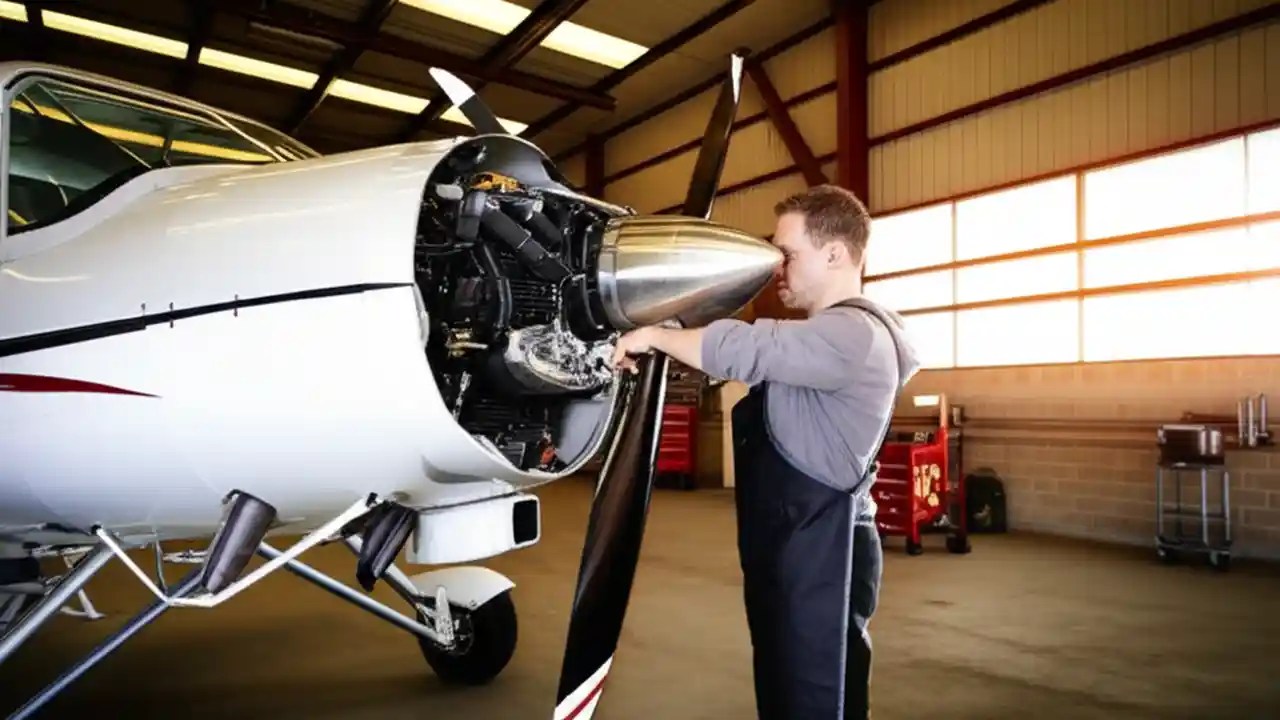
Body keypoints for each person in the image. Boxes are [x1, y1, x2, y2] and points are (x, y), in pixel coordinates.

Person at [610, 184, 921, 719]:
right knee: (793, 690)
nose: (779, 267)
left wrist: (654, 335)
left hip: (823, 553)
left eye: (789, 253)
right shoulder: (828, 338)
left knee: (813, 698)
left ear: (835, 254)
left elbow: (746, 349)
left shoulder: (853, 333)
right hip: (801, 546)